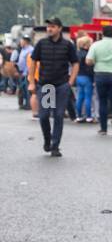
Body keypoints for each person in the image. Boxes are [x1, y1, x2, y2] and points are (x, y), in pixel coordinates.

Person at [28, 17, 79, 156]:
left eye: (53, 26)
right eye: (48, 27)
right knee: (44, 116)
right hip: (46, 85)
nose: (49, 29)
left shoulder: (68, 45)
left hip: (62, 85)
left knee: (59, 115)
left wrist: (71, 81)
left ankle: (55, 146)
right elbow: (33, 62)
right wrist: (32, 81)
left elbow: (75, 63)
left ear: (59, 29)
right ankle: (47, 139)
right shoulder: (42, 44)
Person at [74, 34, 95, 122]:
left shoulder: (76, 54)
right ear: (86, 44)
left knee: (79, 97)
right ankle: (88, 117)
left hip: (78, 77)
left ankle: (78, 116)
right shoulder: (88, 54)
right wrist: (93, 79)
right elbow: (89, 68)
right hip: (87, 78)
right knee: (88, 98)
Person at [15, 36, 33, 112]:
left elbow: (31, 63)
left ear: (25, 42)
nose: (20, 43)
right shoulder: (23, 49)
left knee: (28, 90)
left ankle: (29, 105)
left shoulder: (31, 50)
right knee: (23, 90)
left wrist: (27, 72)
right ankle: (26, 104)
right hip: (22, 73)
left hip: (27, 73)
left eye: (21, 41)